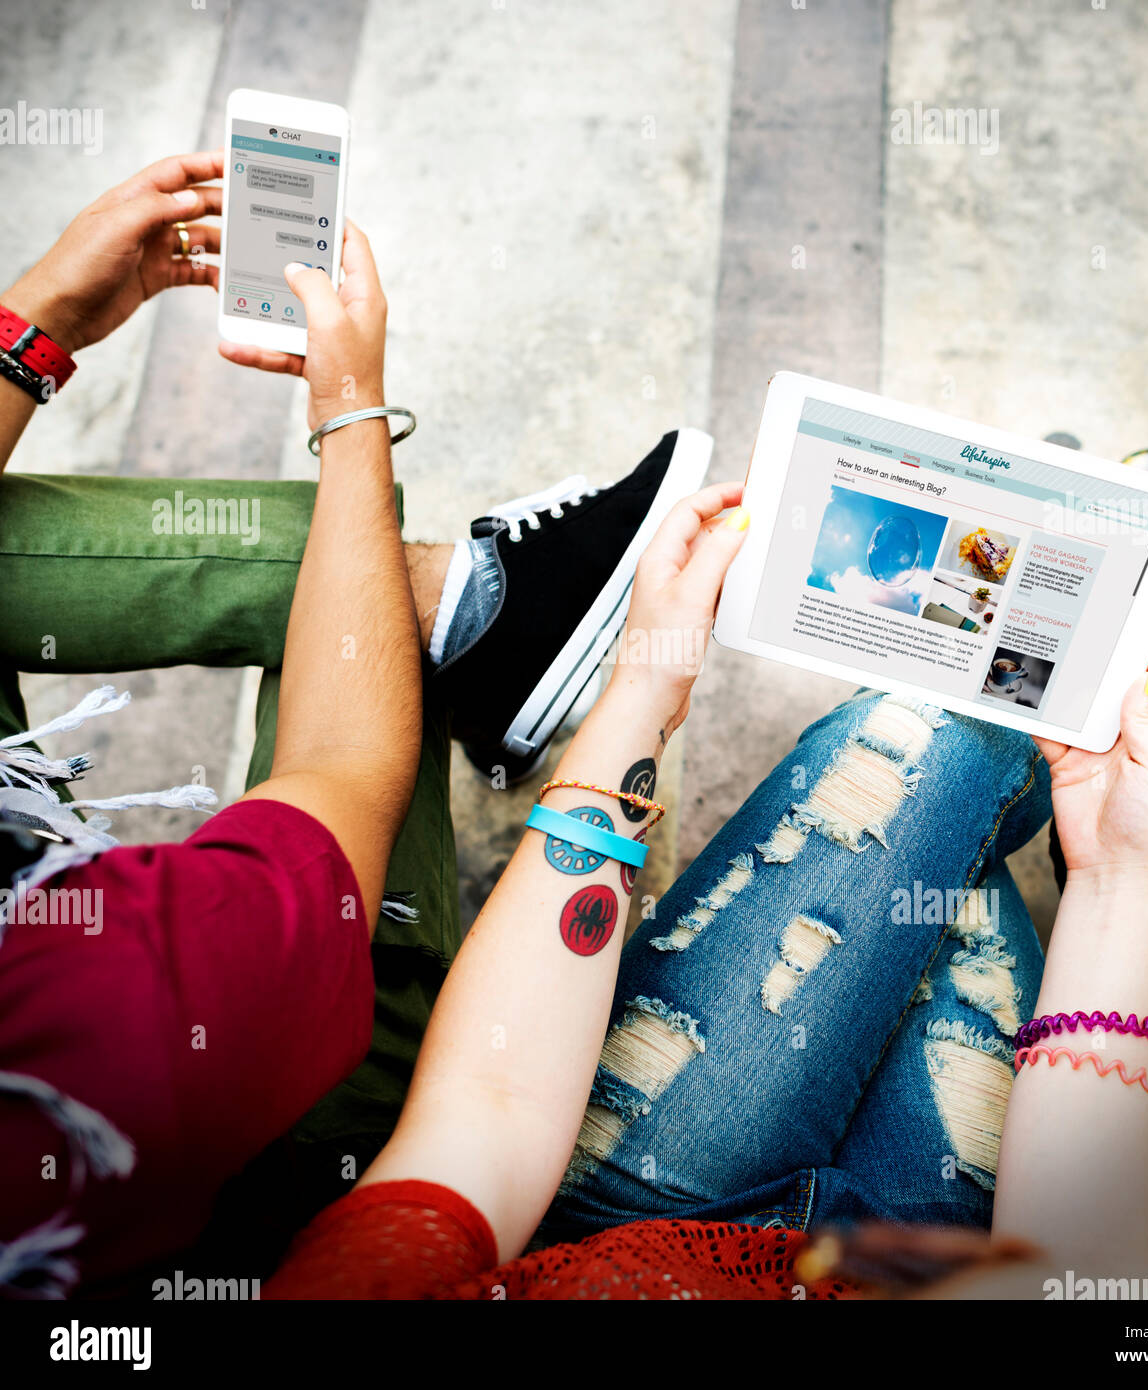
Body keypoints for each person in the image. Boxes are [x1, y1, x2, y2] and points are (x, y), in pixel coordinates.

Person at [0, 152, 702, 1297]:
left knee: (344, 580)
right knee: (345, 606)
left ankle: (477, 621)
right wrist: (350, 411)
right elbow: (341, 782)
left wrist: (31, 326)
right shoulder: (109, 1014)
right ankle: (467, 627)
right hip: (288, 1154)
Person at [261, 561, 1148, 1300]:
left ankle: (1027, 623)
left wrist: (641, 696)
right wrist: (1114, 877)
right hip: (938, 1267)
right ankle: (1058, 623)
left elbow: (488, 1106)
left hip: (634, 1222)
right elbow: (1082, 1283)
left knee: (947, 729)